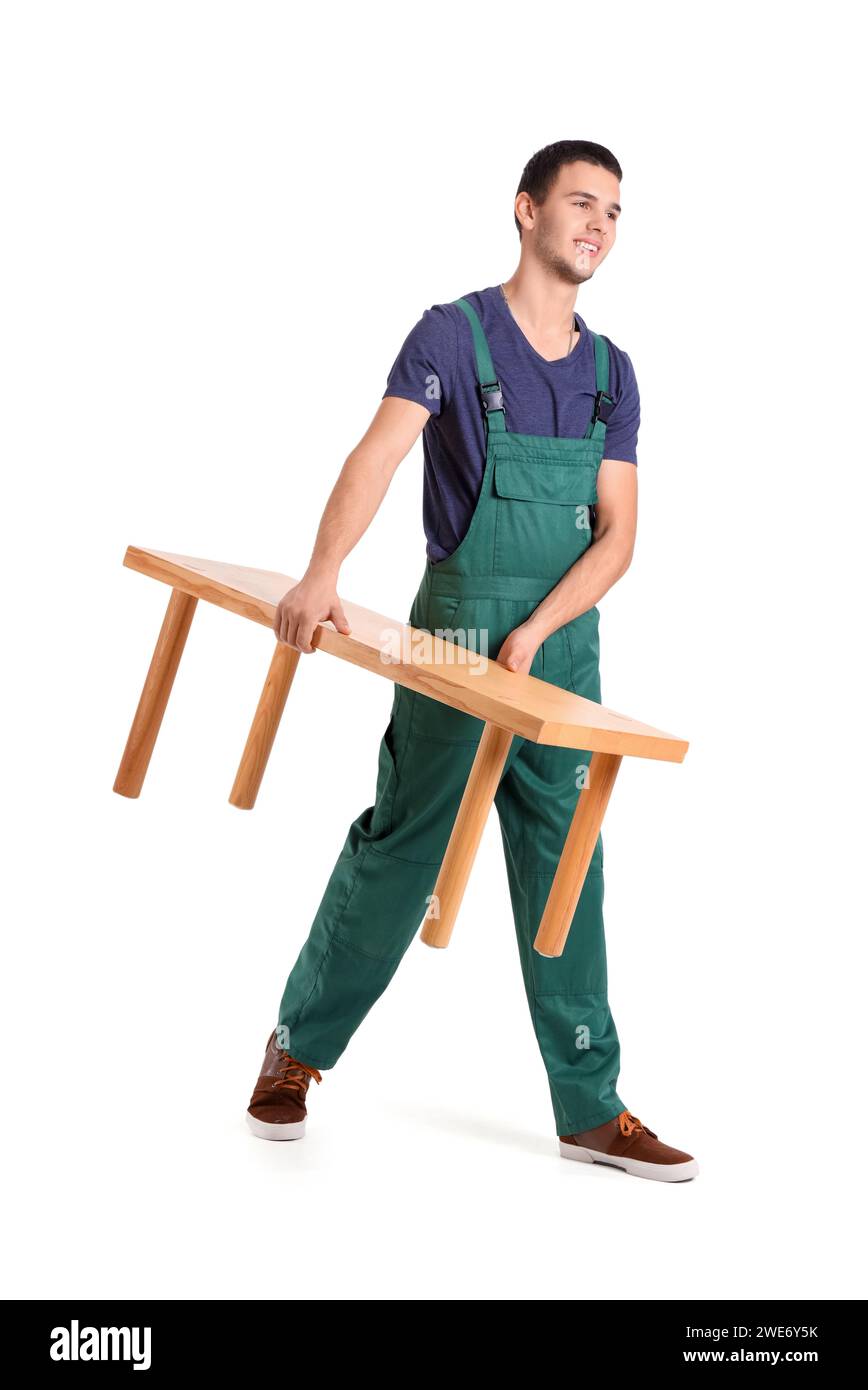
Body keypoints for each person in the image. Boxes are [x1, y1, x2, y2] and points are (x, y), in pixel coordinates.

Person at [246, 139, 698, 1182]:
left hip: (559, 650)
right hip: (450, 633)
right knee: (402, 852)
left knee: (565, 873)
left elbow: (617, 535)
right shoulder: (450, 337)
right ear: (525, 210)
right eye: (581, 203)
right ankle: (297, 1052)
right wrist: (322, 571)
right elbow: (376, 453)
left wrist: (536, 635)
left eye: (616, 212)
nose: (599, 225)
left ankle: (590, 1103)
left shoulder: (610, 372)